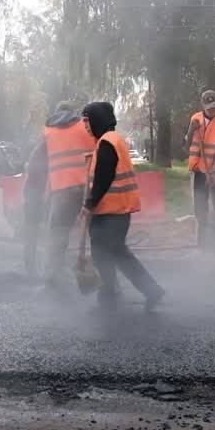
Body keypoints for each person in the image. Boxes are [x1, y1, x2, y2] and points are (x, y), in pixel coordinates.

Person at [82, 101, 165, 310]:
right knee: (108, 252)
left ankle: (144, 290)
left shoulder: (107, 143)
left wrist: (89, 204)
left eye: (87, 120)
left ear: (97, 120)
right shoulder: (110, 140)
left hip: (110, 211)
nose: (85, 125)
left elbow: (104, 177)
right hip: (115, 211)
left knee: (113, 252)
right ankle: (112, 291)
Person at [23, 101, 97, 283]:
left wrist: (32, 195)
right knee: (99, 235)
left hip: (63, 193)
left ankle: (51, 279)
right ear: (74, 113)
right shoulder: (87, 127)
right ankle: (108, 280)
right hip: (91, 191)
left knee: (57, 234)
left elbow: (35, 167)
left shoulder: (49, 133)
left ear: (56, 114)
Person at [185, 90, 215, 250]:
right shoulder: (195, 119)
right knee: (200, 206)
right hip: (199, 170)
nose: (212, 110)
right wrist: (192, 129)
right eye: (208, 107)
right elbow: (185, 148)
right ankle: (203, 242)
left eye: (214, 107)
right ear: (203, 105)